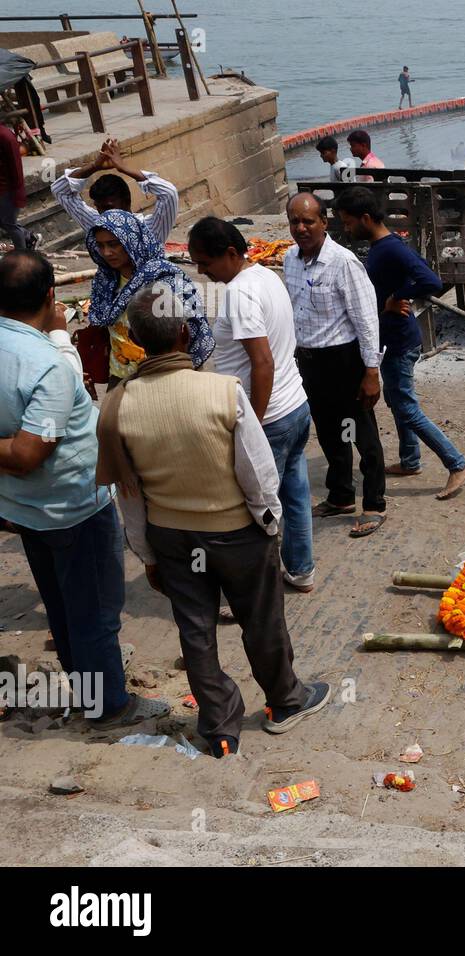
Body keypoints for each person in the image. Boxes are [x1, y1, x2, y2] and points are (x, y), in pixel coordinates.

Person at [96, 288, 331, 758]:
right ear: (185, 332)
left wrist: (146, 554)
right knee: (262, 620)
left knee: (196, 630)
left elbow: (130, 496)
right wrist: (269, 525)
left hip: (171, 537)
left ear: (138, 341)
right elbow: (258, 473)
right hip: (237, 532)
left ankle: (220, 728)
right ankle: (285, 702)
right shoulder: (224, 391)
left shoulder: (118, 404)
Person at [0, 251, 168, 726]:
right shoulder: (47, 366)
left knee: (63, 604)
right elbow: (32, 451)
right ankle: (109, 707)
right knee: (94, 611)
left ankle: (87, 685)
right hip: (72, 507)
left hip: (27, 508)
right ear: (51, 296)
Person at [188, 216, 316, 591]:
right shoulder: (266, 277)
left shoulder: (240, 293)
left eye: (205, 263)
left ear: (230, 253)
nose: (201, 271)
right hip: (295, 406)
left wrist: (254, 427)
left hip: (269, 416)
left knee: (250, 510)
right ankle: (301, 569)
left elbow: (263, 362)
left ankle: (249, 590)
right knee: (293, 493)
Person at [334, 188, 465, 498]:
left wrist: (397, 297)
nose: (346, 229)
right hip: (394, 338)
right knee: (398, 401)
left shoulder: (389, 248)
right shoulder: (385, 245)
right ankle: (410, 460)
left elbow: (432, 281)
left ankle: (456, 463)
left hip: (399, 341)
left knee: (405, 407)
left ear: (366, 218)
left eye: (348, 222)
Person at [283, 192, 387, 537]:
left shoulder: (343, 263)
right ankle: (341, 495)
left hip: (344, 361)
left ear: (324, 222)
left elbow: (366, 320)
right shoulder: (289, 260)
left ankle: (374, 503)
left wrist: (371, 372)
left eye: (308, 221)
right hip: (309, 362)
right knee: (329, 432)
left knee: (361, 434)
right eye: (295, 221)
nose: (301, 228)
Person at [85, 209, 214, 383]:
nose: (107, 252)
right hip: (121, 375)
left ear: (131, 240)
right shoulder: (105, 280)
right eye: (100, 246)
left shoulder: (164, 276)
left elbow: (192, 326)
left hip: (164, 375)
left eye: (113, 244)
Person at [51, 137, 177, 243]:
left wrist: (123, 168)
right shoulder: (97, 223)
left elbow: (169, 193)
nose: (104, 214)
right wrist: (94, 167)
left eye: (108, 207)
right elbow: (60, 191)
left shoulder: (149, 229)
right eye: (99, 208)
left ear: (126, 202)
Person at [0, 123, 38, 251]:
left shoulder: (5, 136)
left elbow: (16, 167)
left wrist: (18, 191)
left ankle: (22, 255)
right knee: (4, 222)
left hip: (8, 189)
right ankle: (28, 236)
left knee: (9, 224)